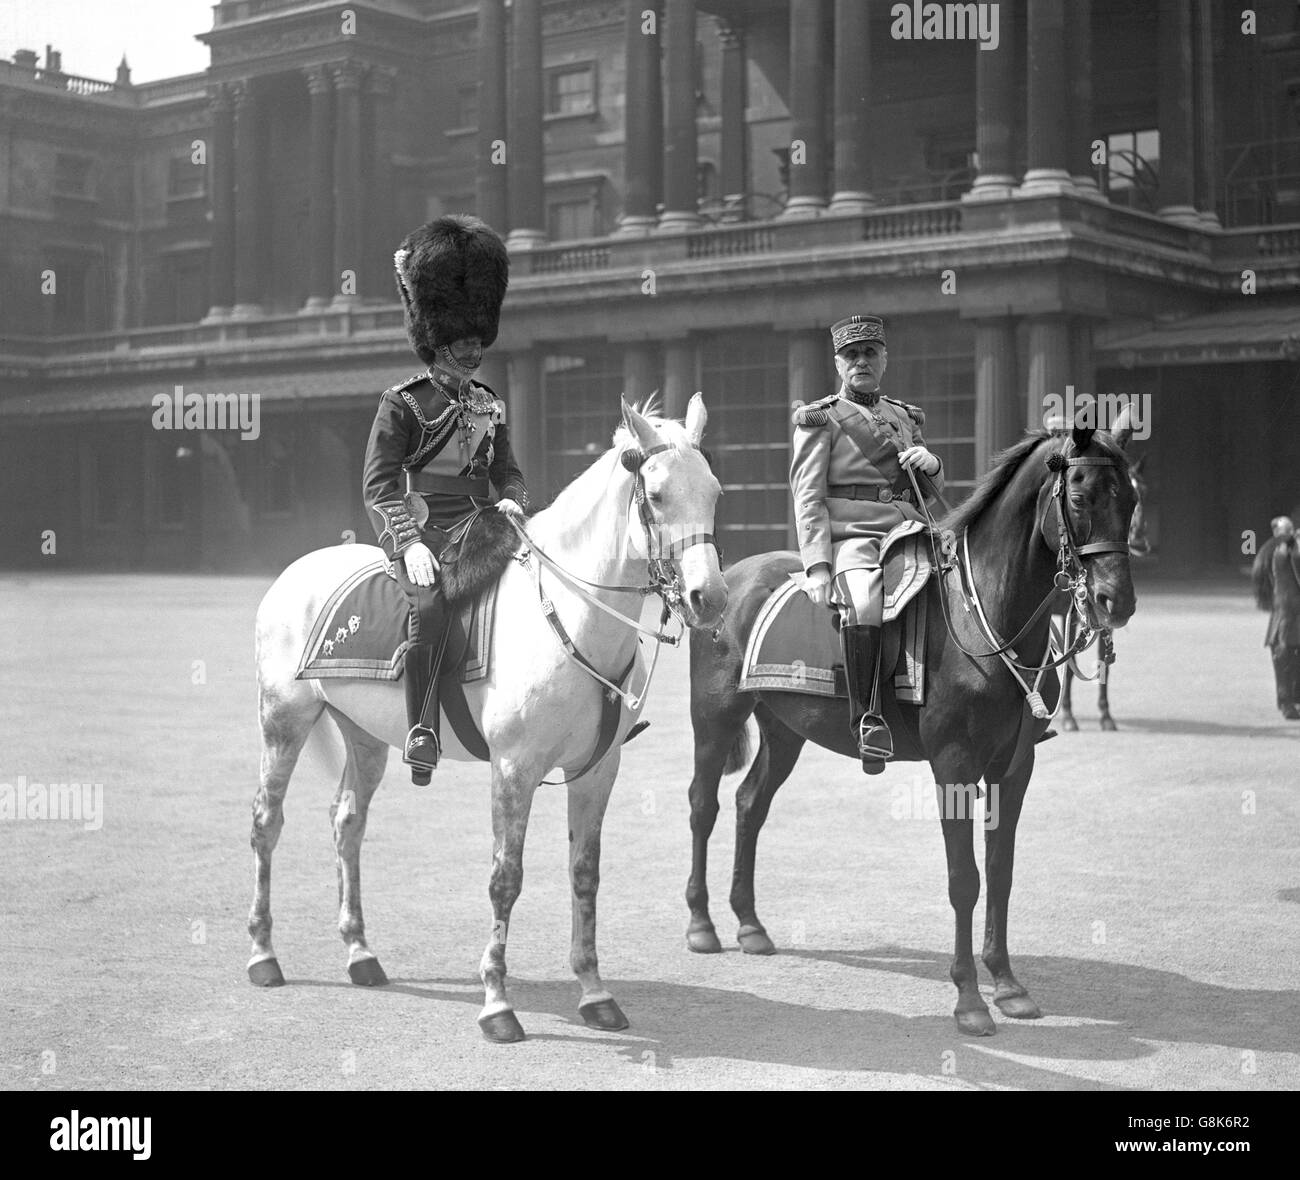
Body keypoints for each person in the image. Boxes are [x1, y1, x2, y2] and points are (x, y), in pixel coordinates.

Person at [362, 215, 528, 783]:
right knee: (429, 612)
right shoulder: (402, 403)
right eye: (463, 341)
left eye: (477, 340)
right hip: (425, 530)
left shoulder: (489, 402)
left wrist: (512, 500)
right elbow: (379, 485)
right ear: (438, 338)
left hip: (483, 526)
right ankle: (422, 728)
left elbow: (508, 472)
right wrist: (406, 544)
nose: (473, 349)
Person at [789, 315, 944, 773]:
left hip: (911, 530)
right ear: (838, 363)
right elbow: (808, 495)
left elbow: (926, 491)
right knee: (864, 602)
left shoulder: (904, 416)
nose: (861, 361)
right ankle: (869, 720)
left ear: (884, 359)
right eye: (851, 355)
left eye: (870, 353)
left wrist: (931, 463)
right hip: (854, 537)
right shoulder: (820, 418)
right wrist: (817, 563)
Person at [1252, 516, 1300, 720]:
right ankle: (1287, 701)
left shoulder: (1270, 549)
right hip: (1291, 609)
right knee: (1286, 654)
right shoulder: (1288, 548)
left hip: (1281, 606)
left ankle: (1288, 698)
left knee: (1284, 654)